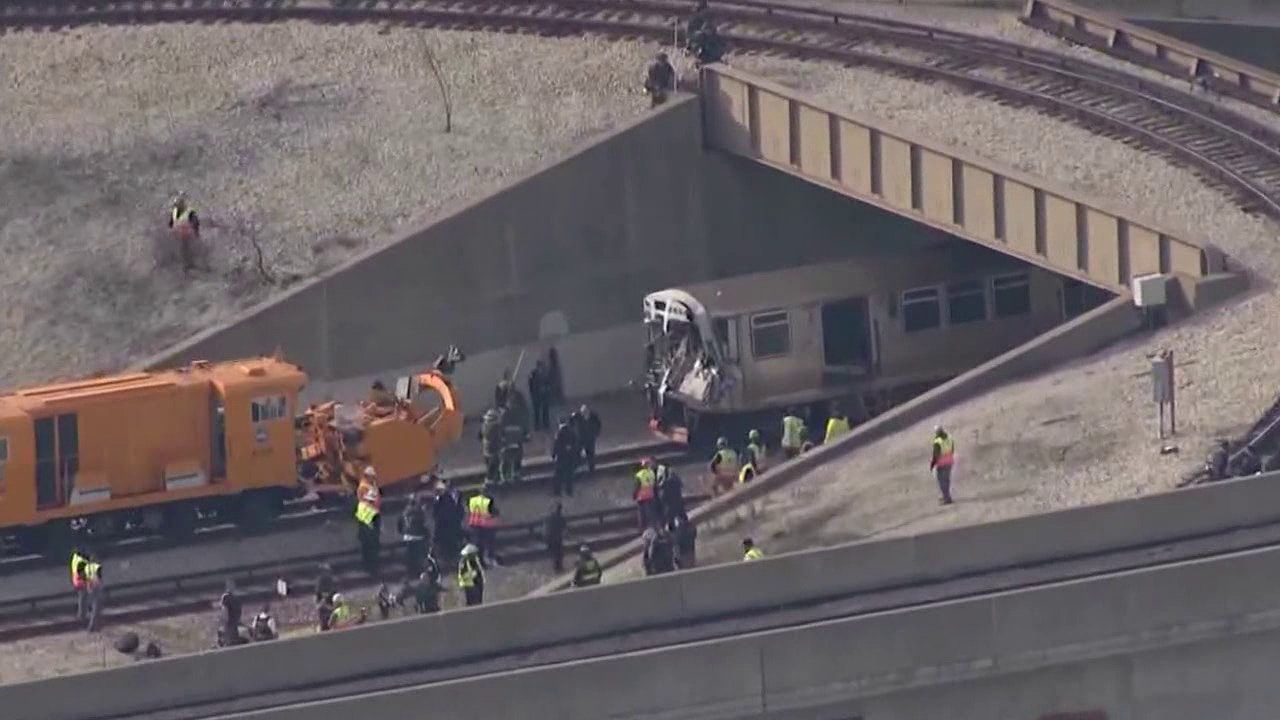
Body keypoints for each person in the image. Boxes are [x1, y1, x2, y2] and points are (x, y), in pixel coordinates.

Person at [355, 466, 383, 577]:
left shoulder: (368, 486)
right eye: (372, 477)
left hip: (370, 517)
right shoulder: (365, 487)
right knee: (370, 546)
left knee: (371, 545)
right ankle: (371, 568)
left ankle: (371, 567)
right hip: (368, 518)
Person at [466, 481, 501, 567]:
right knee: (489, 544)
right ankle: (489, 559)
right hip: (487, 525)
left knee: (479, 544)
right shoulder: (488, 500)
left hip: (476, 524)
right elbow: (493, 511)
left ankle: (480, 561)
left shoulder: (472, 500)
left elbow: (469, 511)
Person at [432, 476, 464, 562]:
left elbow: (459, 507)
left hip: (454, 522)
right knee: (446, 542)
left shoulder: (456, 495)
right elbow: (436, 510)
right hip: (444, 524)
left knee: (453, 540)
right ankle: (447, 557)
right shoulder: (441, 497)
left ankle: (452, 557)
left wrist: (459, 517)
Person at [398, 492, 430, 579]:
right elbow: (421, 522)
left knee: (410, 557)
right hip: (417, 537)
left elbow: (400, 524)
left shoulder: (405, 511)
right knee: (417, 556)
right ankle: (415, 573)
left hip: (408, 537)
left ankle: (411, 573)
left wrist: (403, 532)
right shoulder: (417, 511)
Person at [168, 192, 200, 272]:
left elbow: (195, 222)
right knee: (181, 249)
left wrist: (196, 232)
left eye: (179, 204)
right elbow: (171, 222)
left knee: (188, 248)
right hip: (178, 234)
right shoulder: (174, 212)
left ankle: (190, 264)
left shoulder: (190, 212)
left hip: (188, 234)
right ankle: (184, 264)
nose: (178, 206)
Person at [570, 405, 603, 474]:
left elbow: (598, 424)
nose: (584, 413)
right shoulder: (577, 415)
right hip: (581, 438)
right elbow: (571, 422)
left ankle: (592, 470)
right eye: (583, 412)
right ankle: (575, 467)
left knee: (590, 455)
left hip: (590, 439)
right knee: (577, 452)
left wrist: (596, 433)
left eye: (585, 412)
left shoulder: (593, 416)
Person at [551, 416, 579, 497]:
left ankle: (557, 491)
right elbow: (575, 443)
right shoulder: (571, 431)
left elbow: (556, 445)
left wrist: (554, 455)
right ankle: (569, 490)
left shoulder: (559, 433)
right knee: (569, 475)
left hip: (561, 457)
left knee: (558, 474)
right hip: (570, 457)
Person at [930, 425, 956, 505]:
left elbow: (936, 454)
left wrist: (933, 464)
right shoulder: (949, 437)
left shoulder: (937, 441)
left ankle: (947, 498)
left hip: (942, 463)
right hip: (950, 461)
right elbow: (952, 449)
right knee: (947, 480)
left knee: (941, 481)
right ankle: (946, 495)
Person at [634, 458, 659, 530]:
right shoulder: (651, 473)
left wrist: (634, 495)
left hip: (641, 497)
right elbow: (654, 484)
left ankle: (642, 528)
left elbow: (637, 486)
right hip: (650, 495)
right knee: (651, 512)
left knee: (641, 514)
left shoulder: (639, 475)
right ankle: (653, 527)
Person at [480, 407, 504, 483]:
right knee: (494, 465)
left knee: (489, 465)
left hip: (486, 450)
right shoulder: (496, 427)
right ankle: (492, 479)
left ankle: (491, 479)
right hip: (494, 450)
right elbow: (499, 438)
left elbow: (480, 436)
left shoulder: (484, 426)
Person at [218, 579, 244, 647]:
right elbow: (225, 610)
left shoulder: (229, 597)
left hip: (231, 626)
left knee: (231, 642)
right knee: (232, 642)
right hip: (232, 626)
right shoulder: (231, 598)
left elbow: (224, 611)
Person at [528, 360, 552, 432]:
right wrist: (532, 393)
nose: (541, 368)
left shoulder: (545, 373)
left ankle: (546, 424)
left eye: (541, 366)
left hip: (544, 395)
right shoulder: (533, 373)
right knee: (536, 411)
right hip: (536, 395)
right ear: (537, 366)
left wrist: (547, 389)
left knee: (545, 410)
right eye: (540, 366)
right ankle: (537, 425)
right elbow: (530, 384)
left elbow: (548, 383)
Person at [83, 554, 104, 632]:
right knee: (96, 608)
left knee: (95, 608)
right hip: (96, 587)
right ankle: (92, 626)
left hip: (90, 588)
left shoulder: (87, 567)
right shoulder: (96, 567)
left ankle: (96, 626)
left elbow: (87, 578)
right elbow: (98, 579)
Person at [544, 501, 567, 573]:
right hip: (556, 537)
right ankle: (558, 567)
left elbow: (546, 528)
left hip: (550, 537)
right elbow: (564, 529)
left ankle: (557, 566)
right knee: (559, 553)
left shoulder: (549, 517)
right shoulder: (561, 518)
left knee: (556, 553)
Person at [70, 547, 90, 621]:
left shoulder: (75, 559)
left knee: (82, 597)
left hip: (77, 580)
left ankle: (82, 614)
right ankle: (82, 615)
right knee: (83, 598)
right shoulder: (80, 560)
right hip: (81, 581)